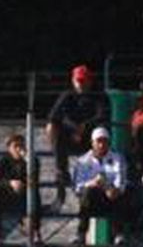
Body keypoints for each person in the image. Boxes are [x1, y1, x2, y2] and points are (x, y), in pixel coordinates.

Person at [46, 64, 110, 202]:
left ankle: (94, 174)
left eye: (83, 81)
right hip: (70, 135)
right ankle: (61, 170)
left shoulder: (99, 95)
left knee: (101, 132)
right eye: (78, 81)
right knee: (52, 127)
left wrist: (85, 127)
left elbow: (103, 116)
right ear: (72, 81)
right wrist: (74, 128)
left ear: (89, 81)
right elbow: (54, 117)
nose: (80, 84)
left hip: (91, 138)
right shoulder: (67, 96)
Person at [71, 126, 143, 247]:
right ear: (92, 143)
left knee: (120, 195)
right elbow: (77, 186)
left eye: (104, 141)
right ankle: (81, 234)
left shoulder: (117, 158)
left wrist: (107, 186)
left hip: (111, 197)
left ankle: (118, 234)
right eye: (98, 141)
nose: (101, 145)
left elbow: (120, 182)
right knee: (87, 193)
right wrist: (92, 183)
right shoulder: (82, 161)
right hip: (93, 199)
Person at [0, 133, 41, 245]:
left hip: (25, 193)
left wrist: (28, 161)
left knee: (35, 193)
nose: (19, 149)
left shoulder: (32, 160)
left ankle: (36, 232)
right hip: (8, 195)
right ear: (9, 148)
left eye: (21, 146)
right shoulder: (4, 161)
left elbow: (35, 180)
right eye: (15, 146)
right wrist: (10, 183)